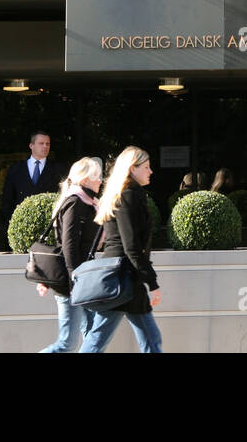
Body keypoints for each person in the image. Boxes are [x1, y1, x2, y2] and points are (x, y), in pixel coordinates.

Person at [79, 146, 163, 353]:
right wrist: (152, 282)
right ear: (132, 168)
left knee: (99, 340)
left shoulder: (122, 194)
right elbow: (131, 246)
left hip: (120, 279)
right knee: (150, 341)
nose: (150, 171)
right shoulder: (129, 194)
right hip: (124, 278)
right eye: (146, 167)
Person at [36, 157, 103, 352]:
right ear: (84, 180)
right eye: (97, 176)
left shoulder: (88, 203)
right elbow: (69, 246)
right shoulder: (75, 203)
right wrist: (75, 280)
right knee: (67, 344)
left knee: (93, 336)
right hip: (72, 284)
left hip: (83, 281)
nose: (100, 180)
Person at [0, 131, 65, 223]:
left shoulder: (58, 169)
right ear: (31, 146)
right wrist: (11, 222)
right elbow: (7, 199)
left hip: (48, 223)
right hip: (20, 223)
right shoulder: (16, 169)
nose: (45, 146)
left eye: (48, 144)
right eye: (41, 143)